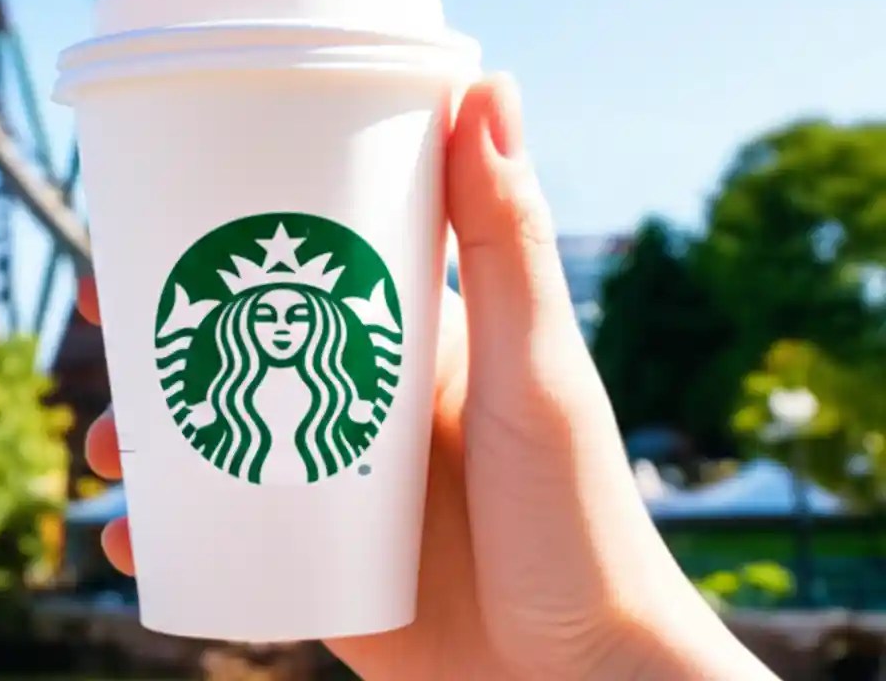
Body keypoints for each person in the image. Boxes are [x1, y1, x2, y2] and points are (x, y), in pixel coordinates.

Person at [74, 75, 779, 680]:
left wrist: (604, 648)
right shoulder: (228, 402)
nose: (282, 328)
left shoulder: (334, 401)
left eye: (300, 314)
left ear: (325, 324)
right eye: (263, 316)